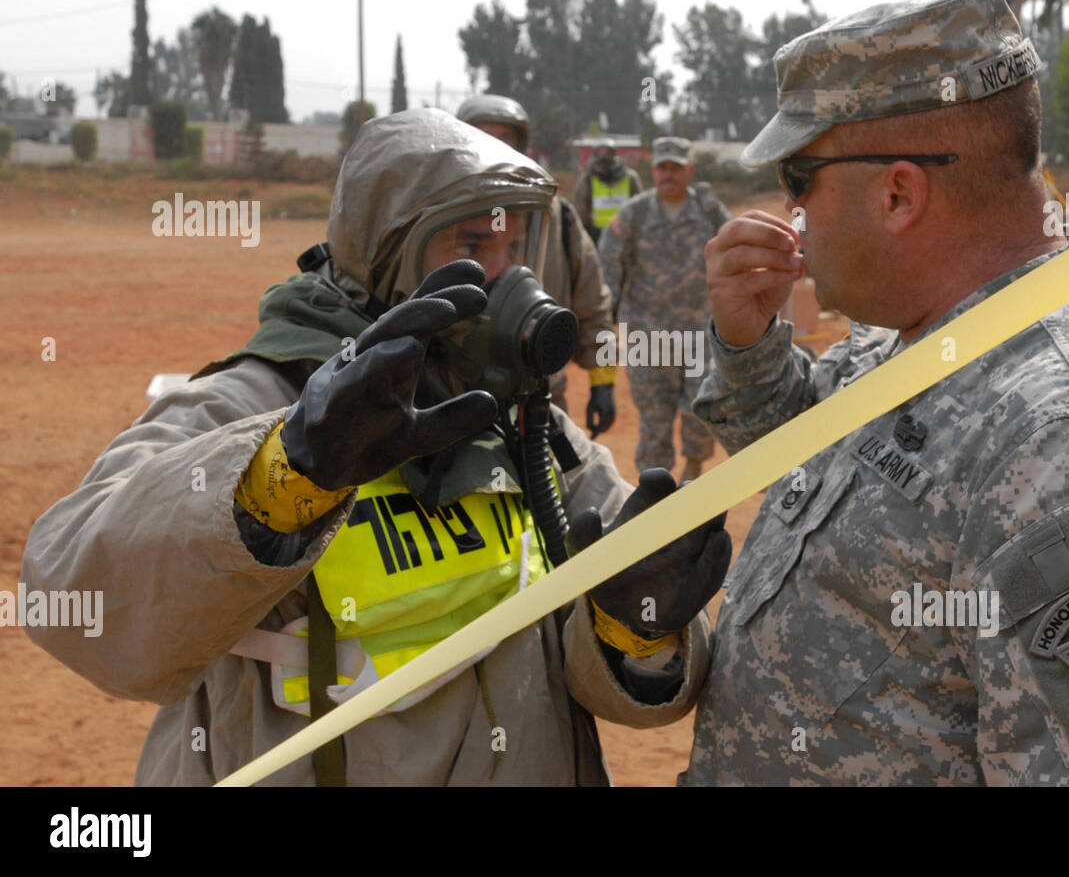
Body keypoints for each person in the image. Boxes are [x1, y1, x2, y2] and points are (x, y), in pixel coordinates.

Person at [21, 108, 730, 786]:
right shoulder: (258, 404)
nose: (506, 278)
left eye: (516, 249)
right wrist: (284, 476)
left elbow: (644, 685)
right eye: (472, 248)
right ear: (386, 257)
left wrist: (637, 632)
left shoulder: (527, 425)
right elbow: (74, 594)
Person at [681, 0, 1069, 785]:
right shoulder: (926, 333)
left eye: (799, 180)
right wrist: (749, 341)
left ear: (899, 192)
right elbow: (801, 457)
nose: (790, 213)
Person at [456, 94, 618, 437]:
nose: (491, 149)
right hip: (450, 402)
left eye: (503, 140)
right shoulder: (433, 219)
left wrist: (602, 384)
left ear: (522, 149)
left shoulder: (556, 218)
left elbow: (594, 306)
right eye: (479, 137)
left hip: (541, 400)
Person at [598, 137, 731, 482]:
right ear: (653, 170)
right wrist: (604, 318)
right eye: (662, 167)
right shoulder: (634, 213)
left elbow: (733, 252)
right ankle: (654, 485)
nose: (668, 174)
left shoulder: (709, 211)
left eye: (676, 167)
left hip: (700, 331)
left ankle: (693, 466)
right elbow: (610, 264)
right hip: (647, 332)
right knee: (653, 414)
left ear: (689, 170)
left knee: (701, 407)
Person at [573, 136, 643, 238]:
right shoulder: (587, 180)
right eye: (600, 153)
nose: (604, 157)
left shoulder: (630, 177)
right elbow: (581, 212)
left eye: (607, 153)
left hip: (626, 235)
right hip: (597, 236)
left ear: (614, 154)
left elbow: (640, 208)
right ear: (595, 155)